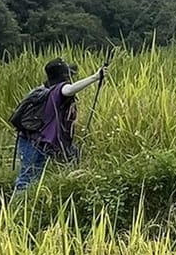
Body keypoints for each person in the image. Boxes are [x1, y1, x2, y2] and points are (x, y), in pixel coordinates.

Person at [10, 57, 107, 194]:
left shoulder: (44, 89)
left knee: (35, 176)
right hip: (33, 141)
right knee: (26, 179)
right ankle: (14, 210)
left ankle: (25, 207)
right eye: (69, 74)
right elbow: (69, 90)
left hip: (36, 139)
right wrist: (96, 77)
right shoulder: (58, 90)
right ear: (63, 76)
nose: (71, 77)